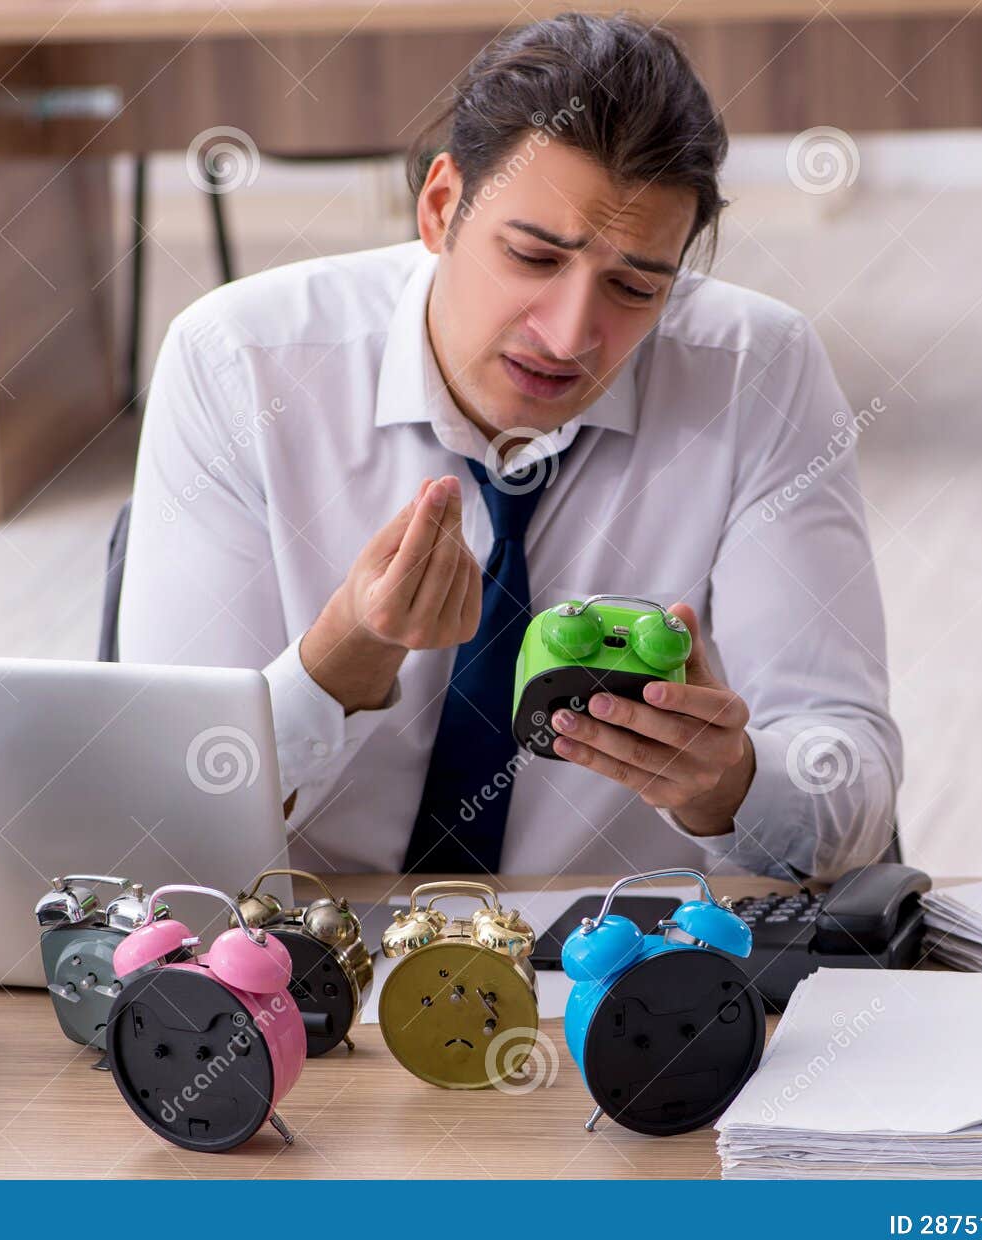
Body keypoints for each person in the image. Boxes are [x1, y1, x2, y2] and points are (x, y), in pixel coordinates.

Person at [119, 13, 901, 881]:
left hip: (616, 961)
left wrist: (728, 783)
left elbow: (853, 791)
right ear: (442, 205)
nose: (571, 335)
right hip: (304, 956)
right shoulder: (239, 364)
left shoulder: (760, 373)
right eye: (533, 257)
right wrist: (344, 659)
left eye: (635, 287)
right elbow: (157, 821)